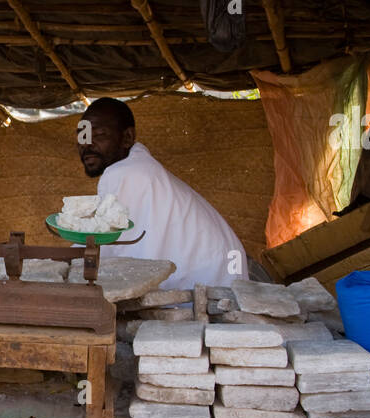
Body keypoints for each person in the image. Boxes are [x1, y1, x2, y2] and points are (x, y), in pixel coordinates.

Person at [78, 97, 246, 290]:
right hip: (226, 279)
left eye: (98, 134)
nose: (86, 144)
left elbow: (106, 247)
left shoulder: (128, 173)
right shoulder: (138, 169)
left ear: (127, 137)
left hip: (216, 288)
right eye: (81, 136)